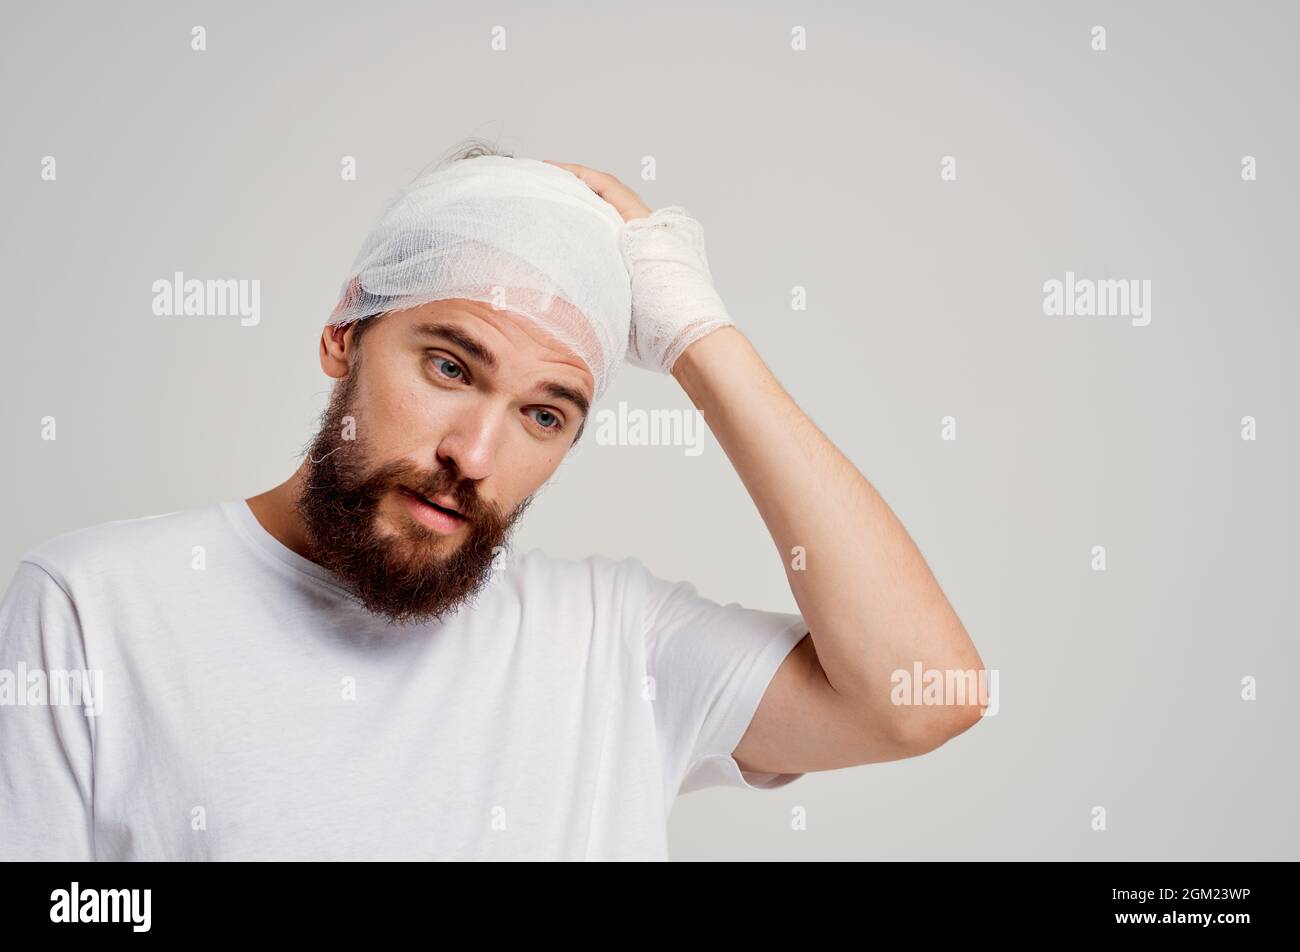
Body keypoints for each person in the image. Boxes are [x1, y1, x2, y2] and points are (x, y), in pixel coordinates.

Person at [0, 142, 985, 861]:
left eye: (544, 414)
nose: (473, 454)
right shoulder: (96, 605)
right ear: (344, 333)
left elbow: (919, 698)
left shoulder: (614, 643)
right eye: (447, 364)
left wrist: (698, 337)